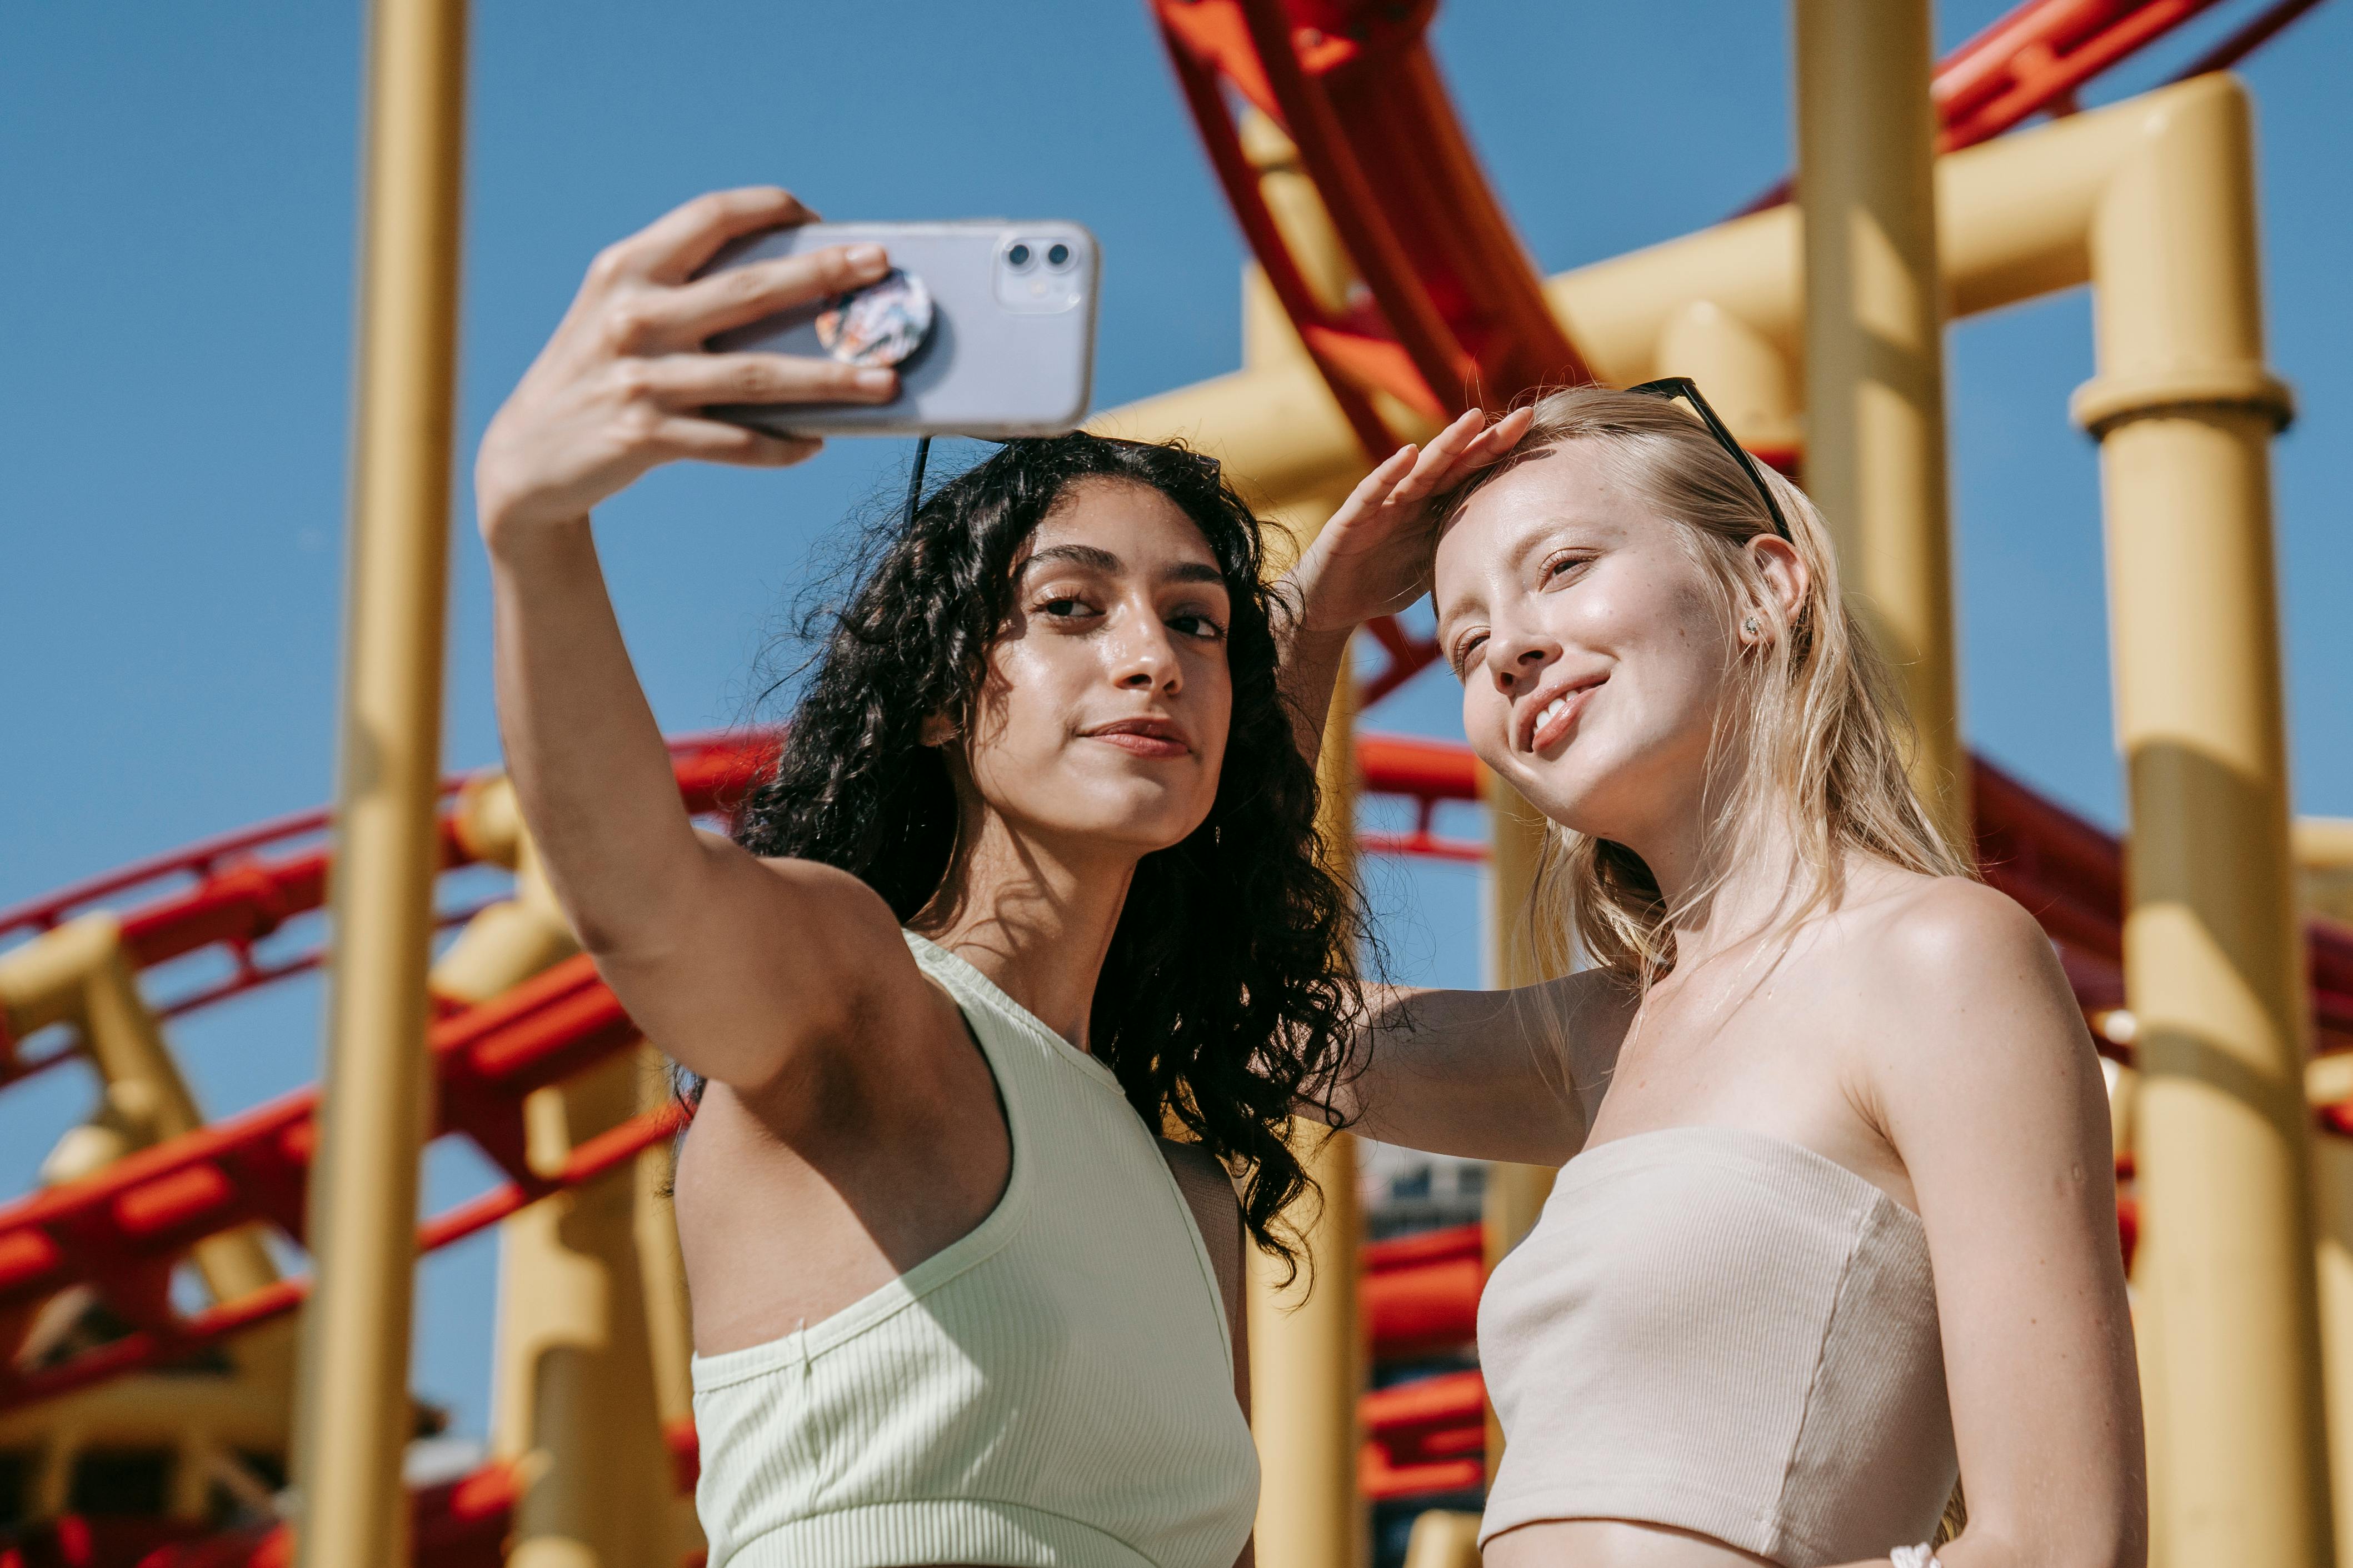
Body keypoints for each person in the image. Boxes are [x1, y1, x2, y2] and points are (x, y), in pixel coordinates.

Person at [470, 187, 1508, 1568]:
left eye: (1196, 622)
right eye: (1071, 608)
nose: (1151, 657)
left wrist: (1307, 622)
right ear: (943, 700)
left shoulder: (1190, 1200)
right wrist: (536, 531)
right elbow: (645, 902)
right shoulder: (864, 999)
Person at [1282, 386, 2145, 1568]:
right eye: (1468, 644)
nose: (1514, 648)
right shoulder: (1602, 1035)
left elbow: (2064, 1541)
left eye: (1567, 565)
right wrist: (1311, 627)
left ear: (1766, 586)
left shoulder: (1938, 957)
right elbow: (1250, 1028)